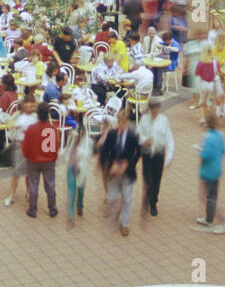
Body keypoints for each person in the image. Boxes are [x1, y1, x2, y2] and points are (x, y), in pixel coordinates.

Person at [99, 104, 141, 236]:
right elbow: (104, 152)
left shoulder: (133, 136)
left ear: (127, 122)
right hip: (114, 171)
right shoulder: (112, 135)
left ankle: (124, 223)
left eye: (123, 122)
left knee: (128, 198)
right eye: (119, 122)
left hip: (127, 172)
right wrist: (110, 165)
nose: (121, 125)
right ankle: (116, 210)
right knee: (112, 197)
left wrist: (128, 164)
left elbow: (138, 152)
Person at [137, 96, 174, 218]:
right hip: (147, 154)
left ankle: (153, 203)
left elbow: (169, 139)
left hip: (158, 154)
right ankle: (147, 199)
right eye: (153, 109)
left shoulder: (164, 121)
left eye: (156, 109)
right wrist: (143, 140)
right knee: (148, 178)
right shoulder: (144, 120)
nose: (155, 111)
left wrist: (168, 159)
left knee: (157, 180)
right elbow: (139, 133)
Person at [22, 101, 59, 219]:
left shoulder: (31, 129)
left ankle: (33, 209)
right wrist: (53, 158)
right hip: (49, 161)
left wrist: (27, 156)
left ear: (37, 114)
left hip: (33, 161)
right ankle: (52, 208)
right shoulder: (53, 129)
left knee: (33, 185)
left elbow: (25, 146)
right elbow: (56, 146)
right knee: (50, 185)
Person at [3, 95, 38, 207]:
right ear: (23, 104)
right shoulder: (18, 115)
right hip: (20, 144)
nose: (28, 105)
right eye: (26, 103)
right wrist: (14, 122)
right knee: (16, 171)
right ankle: (11, 195)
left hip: (32, 145)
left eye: (31, 103)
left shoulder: (37, 116)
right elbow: (8, 125)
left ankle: (28, 192)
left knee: (30, 171)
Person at [195, 112, 225, 230]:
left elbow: (205, 155)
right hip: (218, 169)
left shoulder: (207, 137)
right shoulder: (221, 135)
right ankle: (208, 217)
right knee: (211, 195)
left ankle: (217, 220)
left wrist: (199, 150)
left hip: (208, 171)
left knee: (208, 196)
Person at [64, 124, 93, 226]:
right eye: (77, 133)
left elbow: (87, 157)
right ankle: (71, 216)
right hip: (71, 168)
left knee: (80, 190)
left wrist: (77, 160)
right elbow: (66, 151)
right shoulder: (71, 139)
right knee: (71, 192)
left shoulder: (88, 143)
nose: (78, 136)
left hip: (81, 169)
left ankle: (80, 206)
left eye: (81, 134)